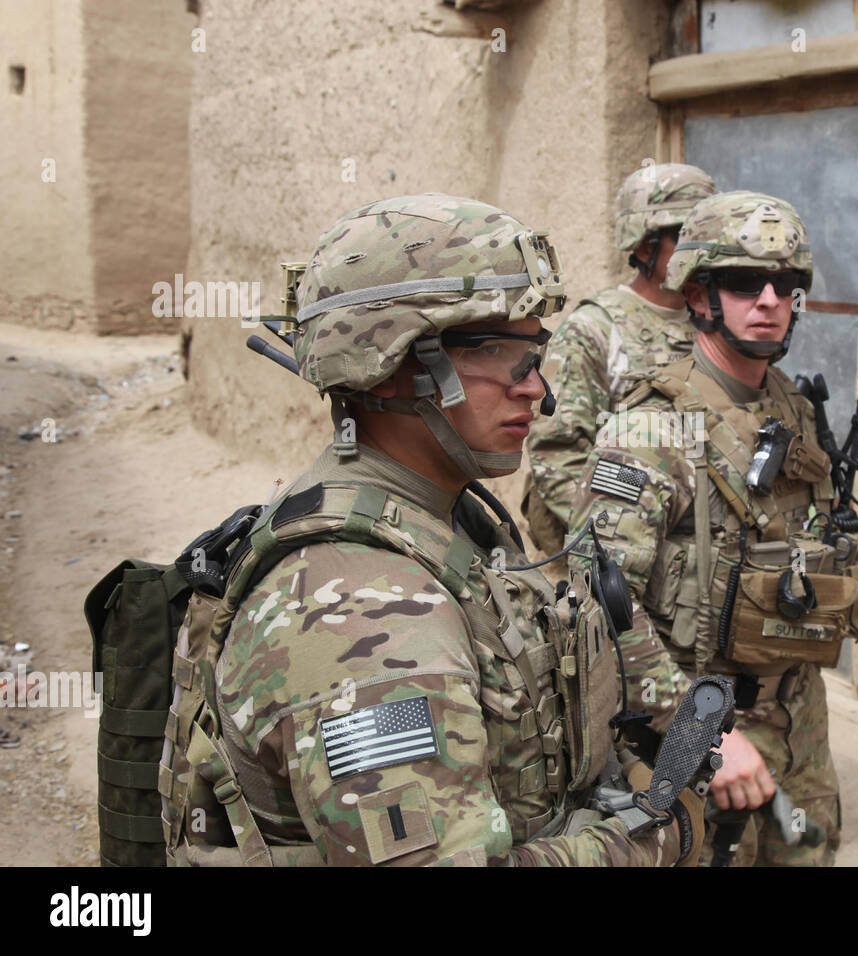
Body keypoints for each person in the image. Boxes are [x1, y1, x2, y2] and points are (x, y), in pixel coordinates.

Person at [158, 193, 700, 867]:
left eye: (534, 351)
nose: (535, 386)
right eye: (499, 351)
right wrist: (649, 842)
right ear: (390, 362)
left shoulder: (448, 510)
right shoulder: (363, 612)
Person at [567, 191, 858, 866]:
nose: (770, 299)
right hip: (692, 738)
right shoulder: (650, 425)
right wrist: (700, 731)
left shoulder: (797, 409)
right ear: (700, 293)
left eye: (787, 283)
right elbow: (597, 607)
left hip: (799, 724)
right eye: (744, 282)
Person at [524, 162, 716, 555]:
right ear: (645, 245)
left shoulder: (718, 324)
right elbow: (556, 457)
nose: (701, 249)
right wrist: (626, 538)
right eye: (686, 236)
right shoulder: (595, 329)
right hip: (620, 555)